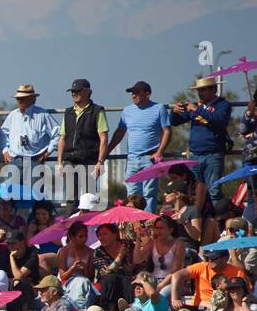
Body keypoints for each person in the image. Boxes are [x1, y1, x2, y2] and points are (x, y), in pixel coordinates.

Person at [170, 77, 233, 211]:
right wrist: (174, 112)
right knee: (194, 192)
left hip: (213, 154)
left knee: (214, 191)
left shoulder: (223, 105)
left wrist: (196, 110)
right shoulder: (196, 105)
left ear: (214, 90)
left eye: (203, 90)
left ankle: (216, 224)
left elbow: (219, 121)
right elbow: (175, 122)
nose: (200, 93)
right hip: (195, 155)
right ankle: (198, 221)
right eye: (199, 90)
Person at [109, 81, 172, 211]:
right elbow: (120, 131)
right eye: (133, 93)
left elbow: (167, 131)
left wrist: (160, 151)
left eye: (137, 93)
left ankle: (148, 223)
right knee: (132, 194)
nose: (133, 96)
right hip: (132, 158)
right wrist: (108, 150)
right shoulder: (127, 111)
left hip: (150, 158)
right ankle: (134, 224)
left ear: (147, 94)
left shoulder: (159, 108)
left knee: (149, 193)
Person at [0, 84, 59, 199]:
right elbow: (3, 133)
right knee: (9, 196)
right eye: (18, 98)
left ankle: (33, 216)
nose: (20, 101)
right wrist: (5, 150)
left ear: (33, 99)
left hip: (35, 160)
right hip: (14, 160)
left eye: (23, 98)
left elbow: (58, 134)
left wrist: (49, 151)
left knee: (35, 196)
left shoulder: (42, 115)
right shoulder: (13, 115)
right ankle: (14, 217)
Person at [55, 79, 109, 205]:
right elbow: (62, 138)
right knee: (70, 200)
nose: (74, 94)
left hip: (88, 160)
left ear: (87, 92)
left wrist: (100, 162)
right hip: (69, 160)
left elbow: (103, 139)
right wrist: (59, 163)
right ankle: (70, 224)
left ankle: (88, 224)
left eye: (77, 91)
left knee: (88, 199)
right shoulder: (68, 112)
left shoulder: (97, 111)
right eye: (72, 92)